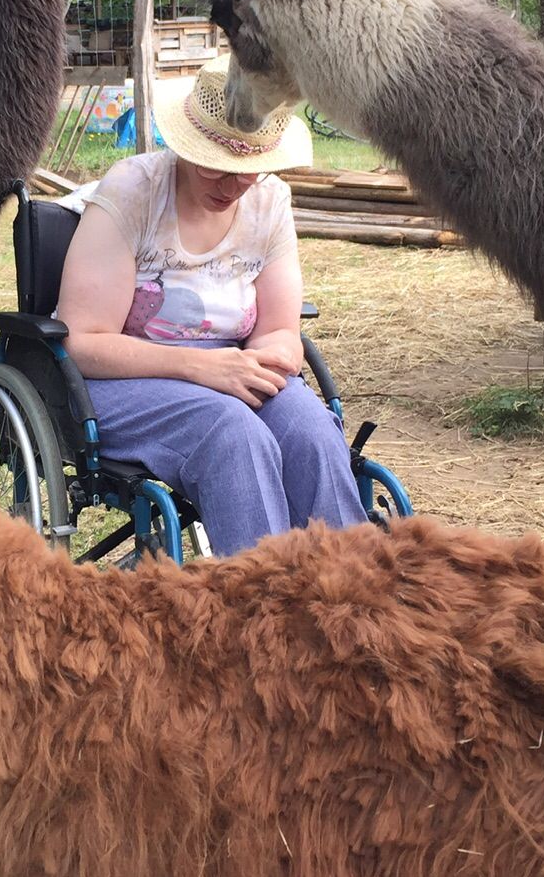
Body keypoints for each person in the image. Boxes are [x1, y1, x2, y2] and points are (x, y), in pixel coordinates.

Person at [54, 57, 364, 555]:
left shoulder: (270, 203)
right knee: (233, 433)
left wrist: (273, 353)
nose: (232, 187)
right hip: (123, 376)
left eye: (248, 173)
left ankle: (353, 598)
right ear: (185, 146)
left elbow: (280, 330)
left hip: (231, 367)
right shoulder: (135, 191)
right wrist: (203, 367)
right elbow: (83, 342)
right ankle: (260, 612)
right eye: (216, 168)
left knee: (310, 433)